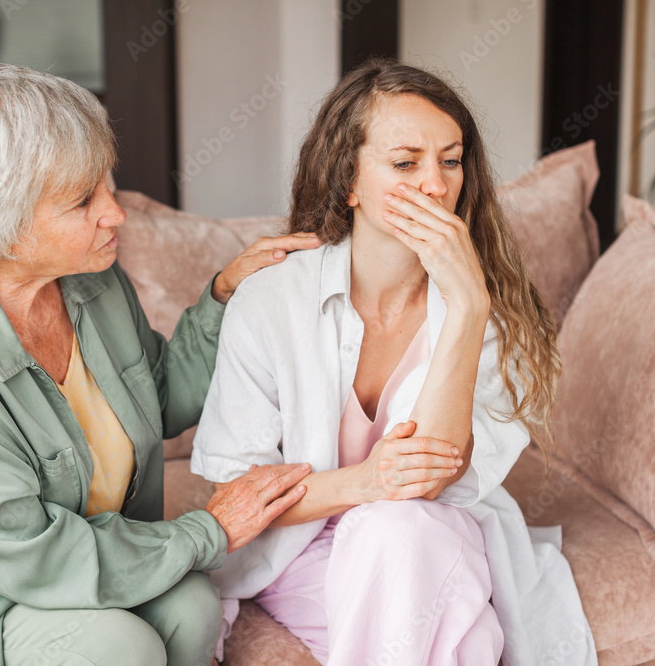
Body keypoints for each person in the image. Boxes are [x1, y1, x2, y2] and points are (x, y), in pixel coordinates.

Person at [0, 63, 322, 666]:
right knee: (118, 648)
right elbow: (29, 552)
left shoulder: (87, 281)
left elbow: (159, 397)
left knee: (192, 602)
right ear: (1, 223)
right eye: (82, 200)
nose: (115, 213)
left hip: (41, 573)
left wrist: (226, 296)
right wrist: (208, 531)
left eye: (107, 186)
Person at [191, 59, 597, 665]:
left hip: (423, 535)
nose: (435, 185)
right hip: (299, 552)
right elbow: (238, 494)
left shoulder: (486, 310)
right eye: (406, 163)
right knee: (452, 623)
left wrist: (465, 306)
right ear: (349, 182)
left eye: (451, 160)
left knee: (395, 529)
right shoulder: (271, 299)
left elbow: (427, 483)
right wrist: (365, 482)